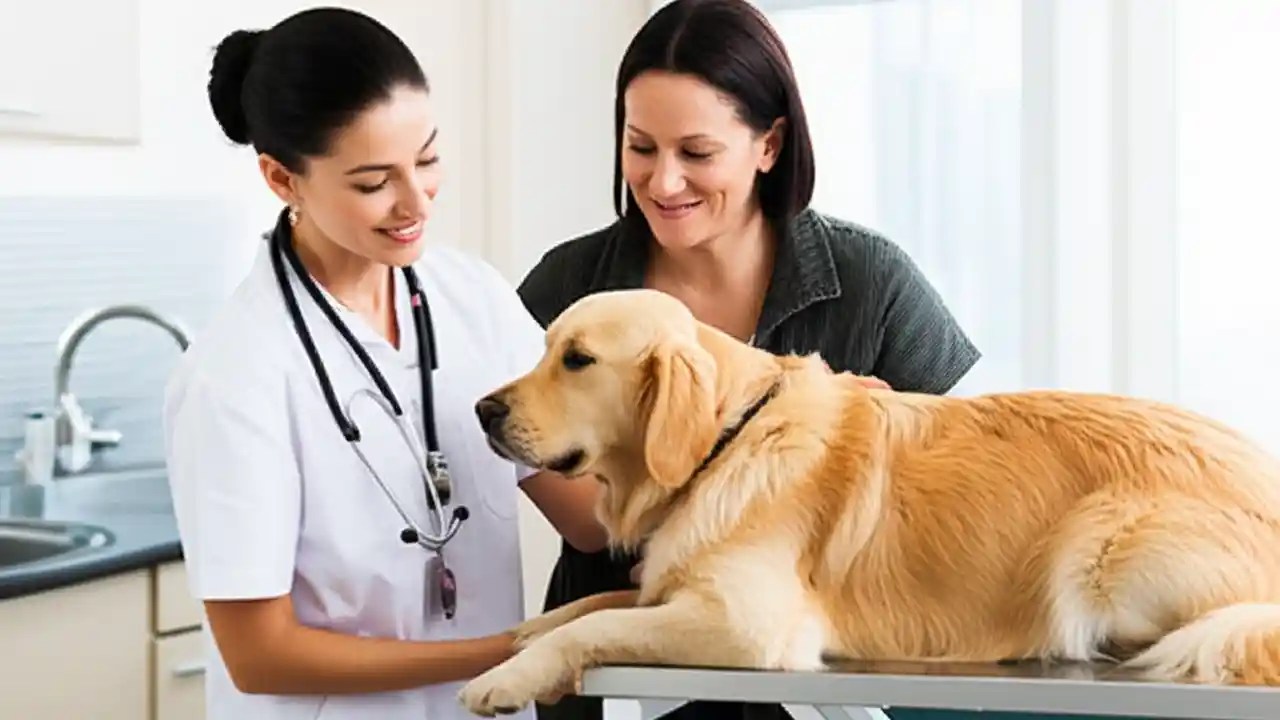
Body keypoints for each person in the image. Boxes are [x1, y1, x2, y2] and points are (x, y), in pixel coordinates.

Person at [516, 1, 981, 719]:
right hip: (614, 671)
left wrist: (878, 439)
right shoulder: (568, 292)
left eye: (696, 153)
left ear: (769, 143)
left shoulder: (871, 283)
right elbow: (587, 526)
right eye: (641, 147)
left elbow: (957, 516)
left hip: (820, 682)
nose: (664, 182)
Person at [161, 8, 607, 720]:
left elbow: (591, 519)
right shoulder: (235, 374)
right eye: (373, 183)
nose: (415, 200)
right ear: (282, 179)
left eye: (427, 159)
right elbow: (259, 654)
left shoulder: (478, 303)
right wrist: (524, 647)